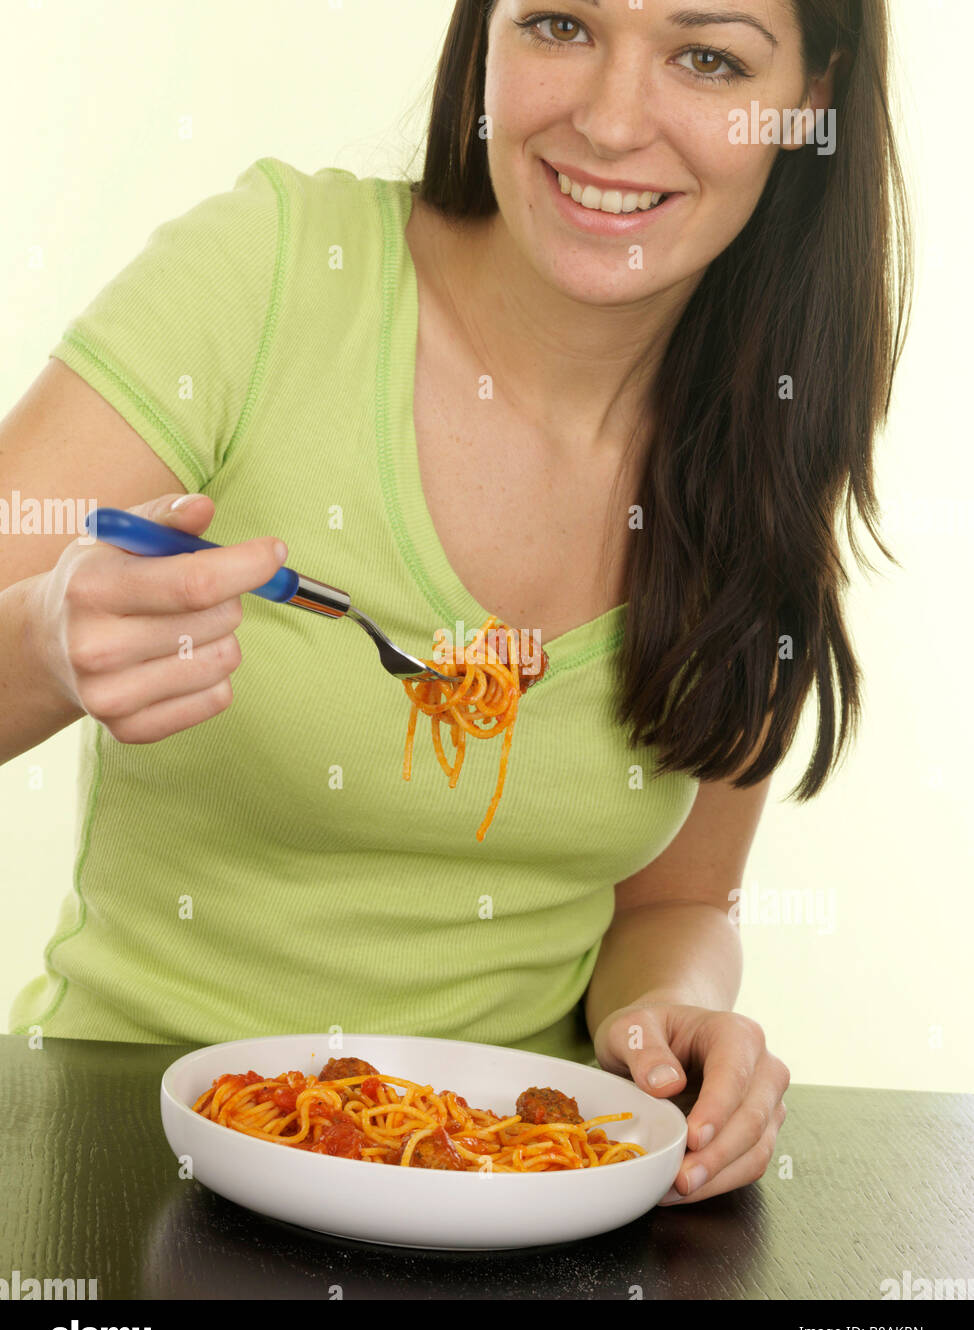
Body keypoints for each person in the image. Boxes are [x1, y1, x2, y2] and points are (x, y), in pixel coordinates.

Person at [0, 0, 911, 1207]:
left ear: (811, 100)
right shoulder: (270, 274)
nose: (610, 120)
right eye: (559, 25)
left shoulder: (762, 433)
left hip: (515, 1190)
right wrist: (43, 644)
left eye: (706, 58)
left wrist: (670, 1017)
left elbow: (676, 900)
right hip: (134, 1159)